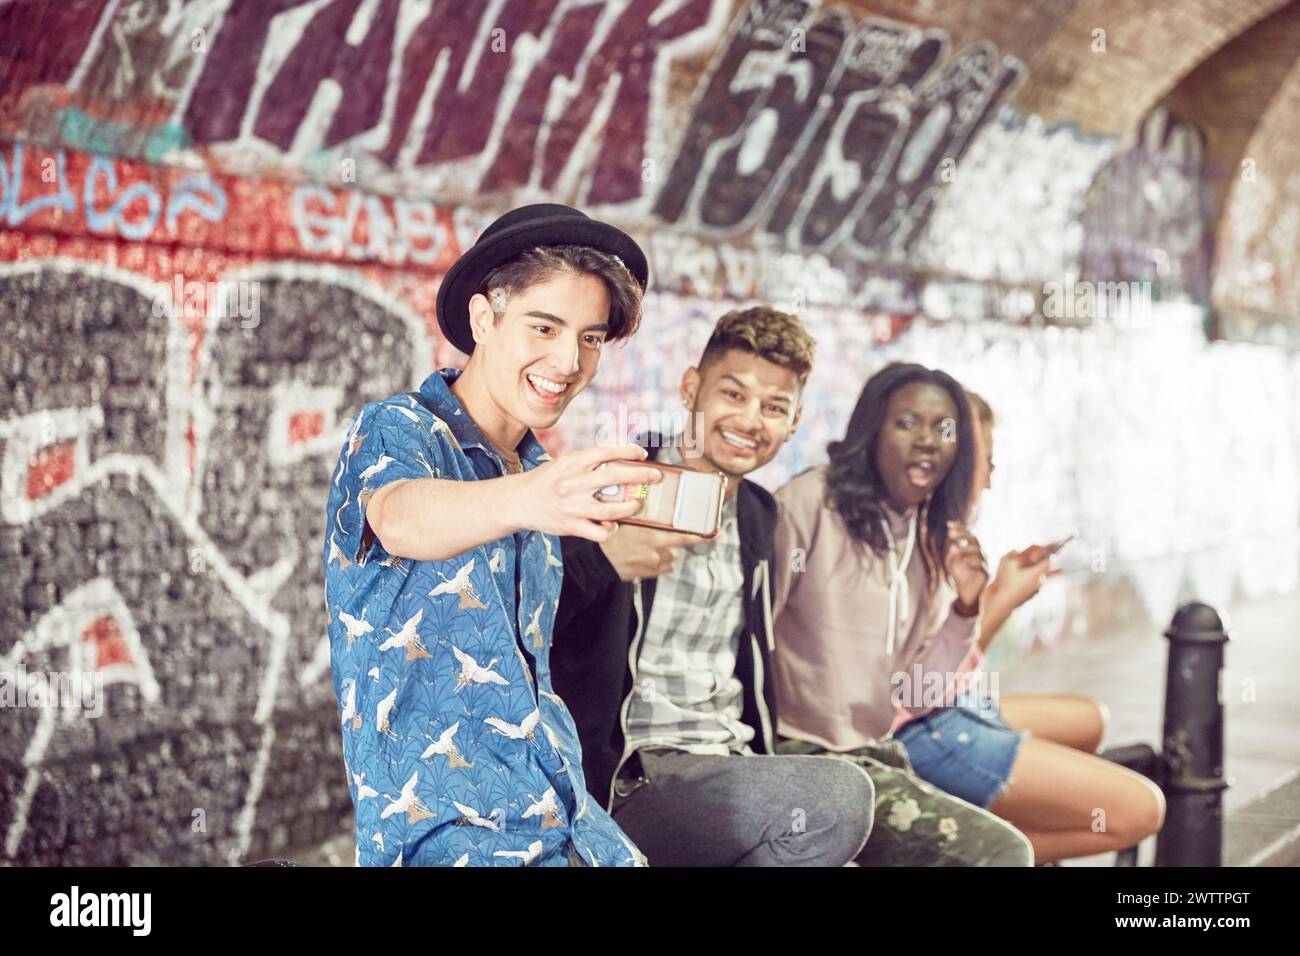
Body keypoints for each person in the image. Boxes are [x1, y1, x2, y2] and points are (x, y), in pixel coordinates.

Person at [553, 312, 1029, 866]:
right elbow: (530, 625)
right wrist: (604, 561)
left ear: (794, 421)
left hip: (741, 763)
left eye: (774, 407)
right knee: (839, 796)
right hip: (635, 773)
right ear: (690, 389)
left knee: (963, 840)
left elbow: (905, 688)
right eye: (733, 394)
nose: (750, 420)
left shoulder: (759, 514)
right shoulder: (618, 485)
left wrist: (968, 606)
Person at [323, 203, 664, 866]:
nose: (568, 360)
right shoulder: (398, 429)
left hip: (573, 824)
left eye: (590, 338)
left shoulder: (536, 472)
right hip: (447, 839)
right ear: (484, 319)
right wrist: (530, 498)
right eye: (544, 327)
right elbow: (400, 517)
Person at [774, 363, 1160, 864]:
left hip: (895, 733)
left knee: (1091, 722)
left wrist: (968, 605)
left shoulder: (928, 530)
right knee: (1105, 818)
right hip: (834, 746)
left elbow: (919, 687)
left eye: (944, 431)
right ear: (873, 431)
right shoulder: (809, 503)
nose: (927, 442)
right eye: (906, 423)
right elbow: (756, 633)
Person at [891, 390, 1165, 861]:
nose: (989, 480)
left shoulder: (941, 531)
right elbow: (920, 686)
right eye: (986, 463)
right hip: (923, 725)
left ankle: (987, 829)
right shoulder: (918, 540)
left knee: (1089, 719)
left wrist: (1000, 590)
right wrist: (1003, 600)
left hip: (949, 704)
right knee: (1140, 810)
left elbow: (945, 659)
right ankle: (969, 850)